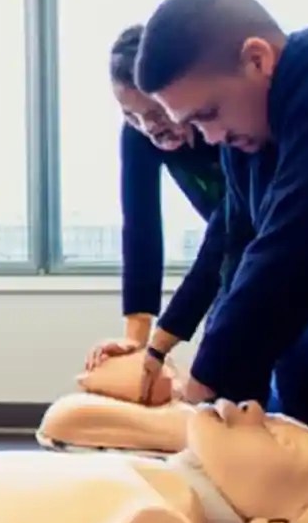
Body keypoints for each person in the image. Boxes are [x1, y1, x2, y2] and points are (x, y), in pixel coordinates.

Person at [131, 0, 308, 415]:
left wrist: (205, 387)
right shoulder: (246, 145)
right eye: (194, 124)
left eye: (209, 113)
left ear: (257, 59)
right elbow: (237, 254)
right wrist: (225, 404)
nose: (211, 138)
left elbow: (293, 249)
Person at [84, 24, 227, 399]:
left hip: (269, 240)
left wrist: (161, 342)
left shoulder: (226, 127)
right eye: (131, 115)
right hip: (235, 253)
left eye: (157, 111)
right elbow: (141, 229)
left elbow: (227, 234)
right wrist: (137, 341)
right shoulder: (139, 134)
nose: (149, 127)